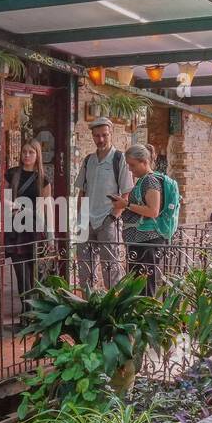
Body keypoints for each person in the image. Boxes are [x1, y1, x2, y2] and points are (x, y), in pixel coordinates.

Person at [74, 117, 133, 292]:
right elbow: (82, 191)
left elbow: (126, 191)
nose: (100, 139)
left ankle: (115, 311)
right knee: (84, 270)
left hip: (108, 219)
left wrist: (113, 215)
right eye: (96, 136)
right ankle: (88, 308)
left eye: (104, 135)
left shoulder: (119, 158)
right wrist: (80, 217)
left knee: (111, 269)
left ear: (111, 133)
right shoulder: (88, 160)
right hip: (86, 220)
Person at [112, 144, 171, 296]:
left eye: (133, 165)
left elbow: (153, 210)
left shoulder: (150, 181)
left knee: (145, 285)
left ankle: (145, 315)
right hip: (139, 240)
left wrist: (126, 204)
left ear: (144, 162)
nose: (130, 169)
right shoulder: (143, 180)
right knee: (138, 283)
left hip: (147, 241)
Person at [3, 139, 51, 316]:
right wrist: (13, 205)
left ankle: (36, 313)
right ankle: (26, 311)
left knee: (35, 275)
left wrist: (50, 236)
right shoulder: (12, 174)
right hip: (17, 229)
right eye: (24, 152)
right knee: (21, 274)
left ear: (37, 155)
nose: (27, 156)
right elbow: (3, 197)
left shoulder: (43, 179)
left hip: (35, 230)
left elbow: (47, 209)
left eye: (31, 152)